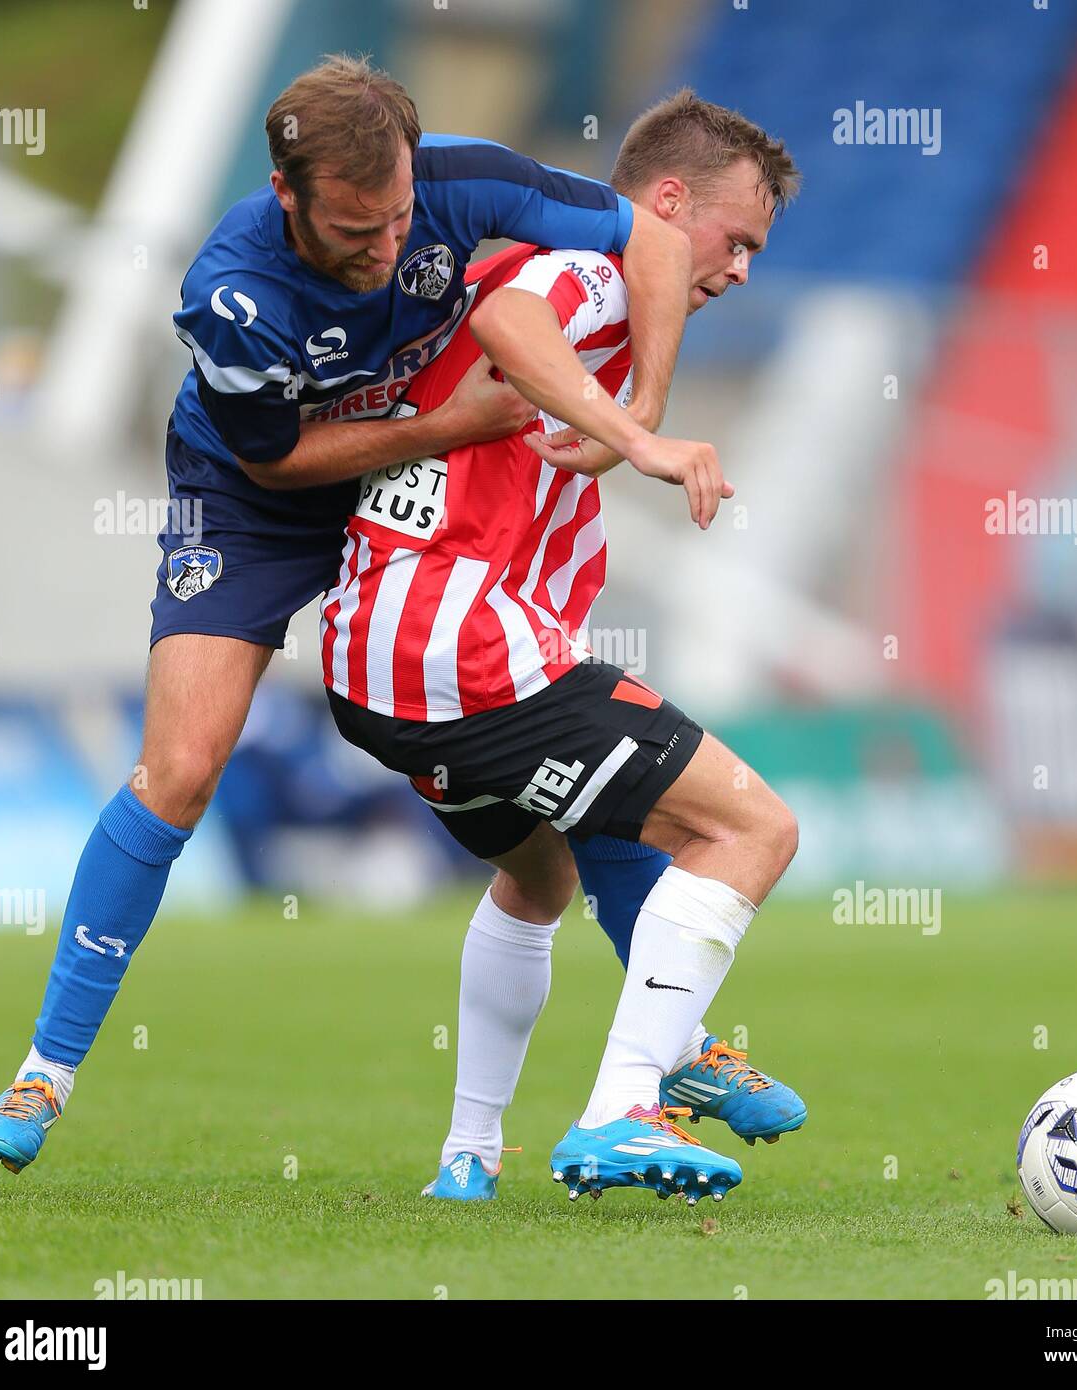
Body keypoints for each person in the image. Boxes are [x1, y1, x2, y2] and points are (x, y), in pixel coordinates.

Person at [0, 55, 700, 1175]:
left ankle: (681, 1045)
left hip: (426, 464)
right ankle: (45, 1072)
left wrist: (638, 413)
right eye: (354, 231)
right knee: (181, 768)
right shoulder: (231, 291)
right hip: (261, 499)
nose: (385, 249)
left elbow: (654, 239)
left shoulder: (465, 184)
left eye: (399, 218)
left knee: (555, 727)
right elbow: (277, 460)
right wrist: (449, 426)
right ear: (285, 192)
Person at [322, 90, 802, 1205]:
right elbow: (513, 316)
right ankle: (627, 1104)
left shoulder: (584, 362)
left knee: (541, 873)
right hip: (456, 642)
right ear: (666, 204)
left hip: (382, 660)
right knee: (751, 826)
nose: (737, 272)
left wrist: (616, 414)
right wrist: (638, 432)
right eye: (735, 242)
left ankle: (469, 1155)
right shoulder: (583, 262)